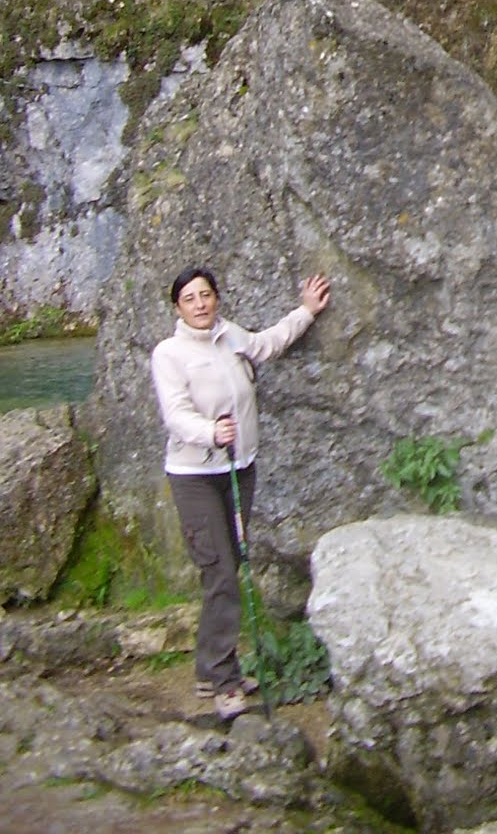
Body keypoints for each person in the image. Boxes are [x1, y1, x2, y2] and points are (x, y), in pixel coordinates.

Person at [151, 265, 331, 721]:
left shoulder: (230, 335)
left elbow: (267, 344)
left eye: (206, 295)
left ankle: (212, 668)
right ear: (177, 307)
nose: (200, 304)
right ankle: (223, 680)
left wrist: (306, 312)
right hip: (195, 476)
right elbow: (175, 415)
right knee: (221, 573)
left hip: (239, 468)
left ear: (217, 299)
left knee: (231, 566)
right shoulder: (169, 354)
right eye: (190, 298)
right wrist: (211, 432)